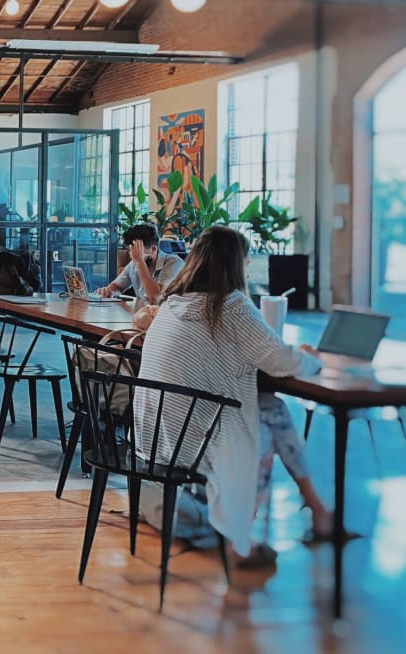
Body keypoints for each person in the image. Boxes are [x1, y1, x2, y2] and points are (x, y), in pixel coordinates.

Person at [132, 226, 332, 566]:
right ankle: (240, 544)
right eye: (246, 260)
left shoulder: (172, 303)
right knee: (262, 431)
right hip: (189, 443)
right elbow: (282, 360)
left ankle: (316, 509)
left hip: (153, 438)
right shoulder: (230, 305)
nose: (249, 267)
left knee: (272, 408)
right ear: (233, 265)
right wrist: (315, 359)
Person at [97, 223, 183, 304]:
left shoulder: (174, 263)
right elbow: (116, 286)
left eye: (137, 250)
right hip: (143, 314)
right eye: (131, 250)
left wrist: (139, 261)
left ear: (153, 249)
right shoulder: (134, 264)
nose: (132, 256)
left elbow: (156, 298)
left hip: (166, 317)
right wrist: (109, 291)